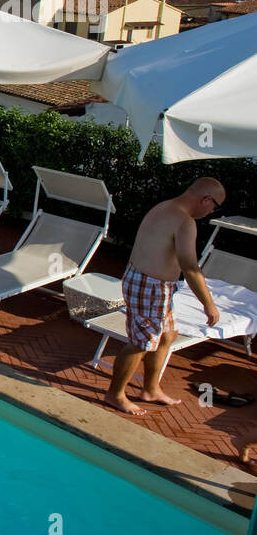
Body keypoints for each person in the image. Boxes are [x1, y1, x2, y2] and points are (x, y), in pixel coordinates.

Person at [105, 177, 225, 416]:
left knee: (168, 335)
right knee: (141, 343)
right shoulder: (185, 221)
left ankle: (150, 389)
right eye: (215, 206)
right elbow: (190, 267)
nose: (212, 211)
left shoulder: (164, 206)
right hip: (150, 286)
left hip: (147, 282)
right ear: (206, 199)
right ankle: (115, 394)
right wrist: (209, 304)